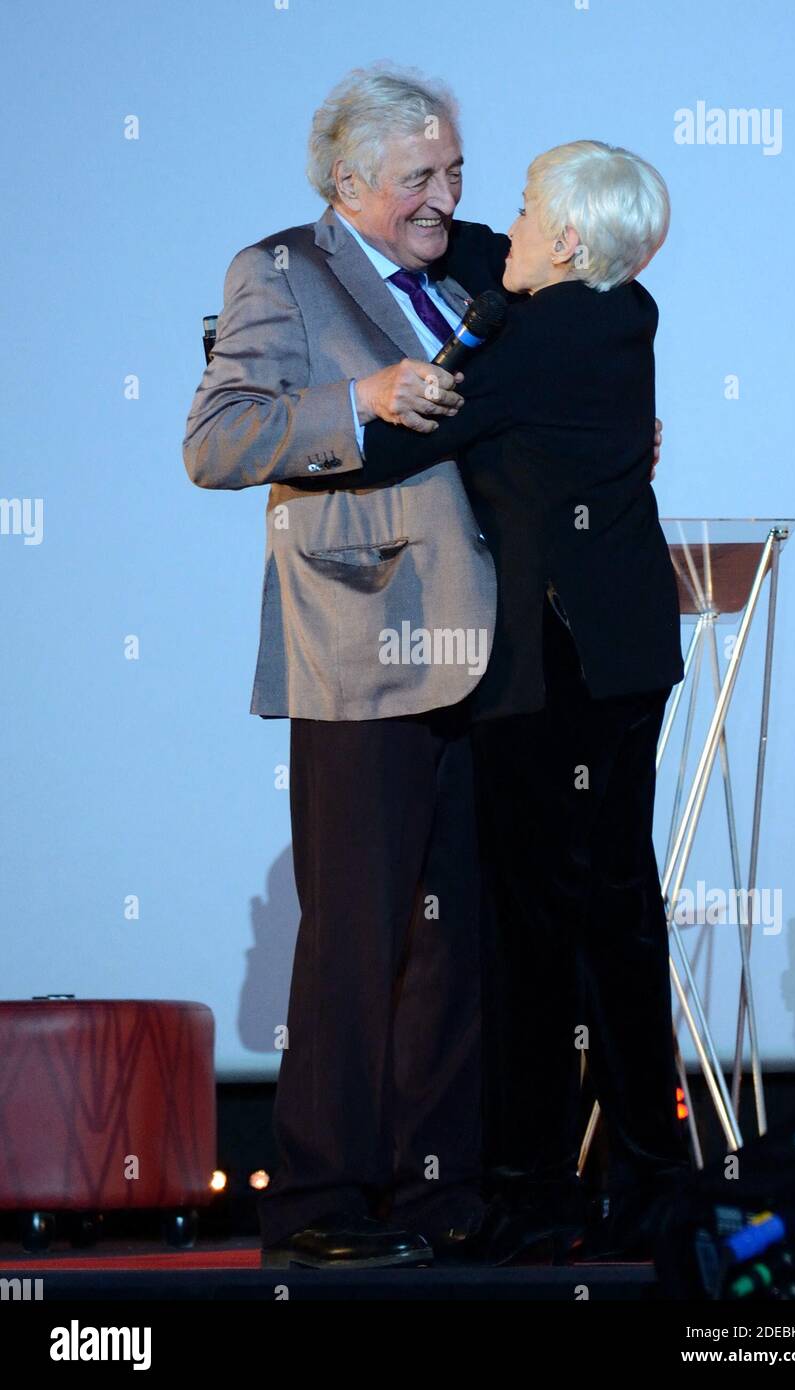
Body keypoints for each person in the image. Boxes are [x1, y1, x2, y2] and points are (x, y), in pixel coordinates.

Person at [183, 65, 511, 1269]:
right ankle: (316, 1200)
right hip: (359, 644)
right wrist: (358, 398)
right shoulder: (278, 274)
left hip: (485, 648)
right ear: (346, 182)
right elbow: (218, 442)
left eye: (454, 171)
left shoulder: (472, 263)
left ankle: (438, 1199)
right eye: (418, 177)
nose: (445, 196)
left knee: (454, 948)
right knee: (354, 941)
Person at [359, 139, 693, 1261]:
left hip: (560, 669)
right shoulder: (615, 307)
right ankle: (622, 1178)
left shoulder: (548, 332)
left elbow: (387, 445)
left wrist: (317, 399)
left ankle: (547, 1188)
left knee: (550, 926)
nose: (496, 218)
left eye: (521, 205)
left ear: (561, 237)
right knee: (595, 916)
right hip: (600, 658)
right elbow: (499, 260)